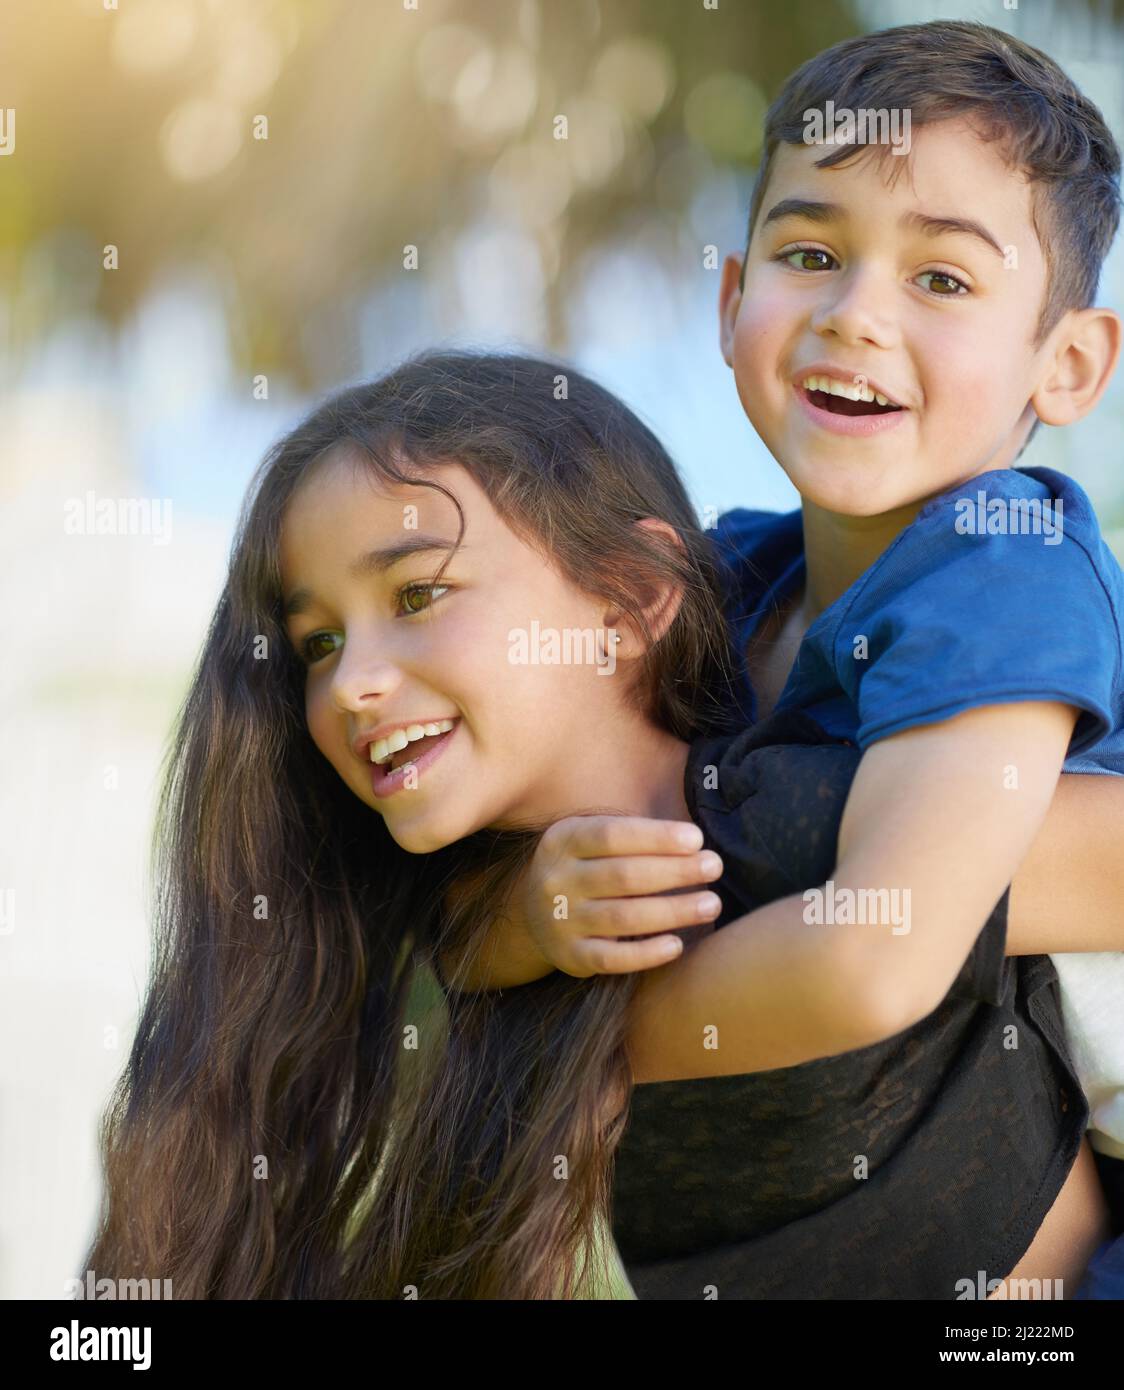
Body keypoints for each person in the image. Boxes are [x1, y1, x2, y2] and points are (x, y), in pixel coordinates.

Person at [80, 350, 1124, 1300]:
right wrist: (517, 934)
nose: (351, 682)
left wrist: (580, 1027)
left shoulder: (833, 819)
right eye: (316, 644)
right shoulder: (428, 940)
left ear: (628, 597)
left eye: (418, 592)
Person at [462, 21, 1124, 1297]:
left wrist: (570, 1048)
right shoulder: (720, 583)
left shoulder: (1003, 561)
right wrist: (530, 913)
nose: (853, 315)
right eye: (809, 253)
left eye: (939, 280)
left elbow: (874, 950)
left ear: (1068, 361)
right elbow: (468, 882)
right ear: (729, 301)